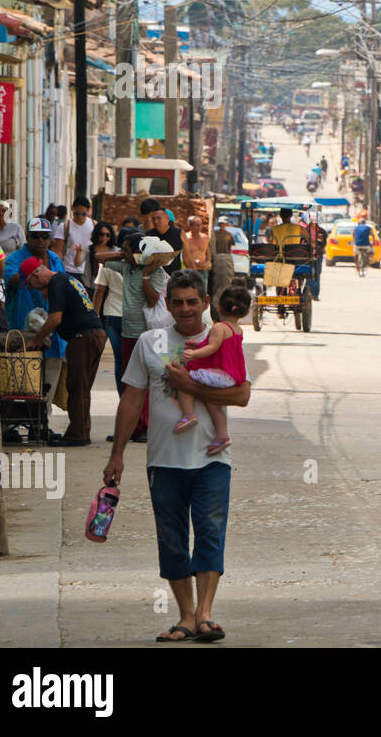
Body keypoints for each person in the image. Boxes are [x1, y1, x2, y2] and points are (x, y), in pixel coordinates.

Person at [103, 270, 249, 644]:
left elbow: (241, 395)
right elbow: (132, 399)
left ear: (205, 304)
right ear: (167, 304)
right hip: (163, 460)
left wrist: (191, 385)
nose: (185, 309)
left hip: (213, 458)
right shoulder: (150, 343)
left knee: (210, 533)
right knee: (171, 539)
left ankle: (205, 614)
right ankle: (185, 616)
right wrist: (117, 453)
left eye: (192, 302)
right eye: (178, 302)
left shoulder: (223, 337)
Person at [24, 259, 106, 447]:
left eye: (30, 284)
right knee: (80, 387)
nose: (33, 288)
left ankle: (78, 435)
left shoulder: (56, 283)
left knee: (77, 387)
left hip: (83, 338)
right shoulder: (65, 279)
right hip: (93, 335)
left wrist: (36, 340)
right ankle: (79, 431)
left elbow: (55, 318)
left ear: (37, 275)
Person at [103, 233, 170, 443]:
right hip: (127, 332)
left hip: (146, 334)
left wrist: (146, 274)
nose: (123, 253)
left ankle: (145, 426)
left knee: (148, 381)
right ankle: (130, 425)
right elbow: (98, 257)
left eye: (126, 248)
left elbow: (152, 301)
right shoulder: (126, 266)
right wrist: (124, 254)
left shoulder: (157, 273)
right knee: (129, 381)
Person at [175, 286, 250, 457]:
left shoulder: (219, 328)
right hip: (231, 377)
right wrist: (198, 345)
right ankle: (222, 435)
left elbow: (212, 347)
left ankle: (189, 414)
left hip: (219, 374)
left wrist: (194, 353)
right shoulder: (237, 329)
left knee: (184, 379)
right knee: (214, 404)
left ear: (218, 307)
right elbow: (221, 348)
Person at [5, 218, 67, 367]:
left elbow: (63, 285)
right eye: (35, 236)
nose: (40, 240)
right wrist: (29, 272)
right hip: (25, 327)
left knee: (51, 380)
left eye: (44, 236)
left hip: (53, 329)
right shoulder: (15, 258)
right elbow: (10, 279)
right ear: (28, 236)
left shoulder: (54, 259)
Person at [92, 224, 126, 395]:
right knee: (131, 359)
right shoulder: (144, 263)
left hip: (111, 313)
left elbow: (99, 291)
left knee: (119, 360)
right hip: (132, 317)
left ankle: (123, 396)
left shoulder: (107, 263)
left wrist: (94, 317)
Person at [59, 196, 96, 286]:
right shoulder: (64, 226)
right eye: (77, 213)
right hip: (67, 269)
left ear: (88, 211)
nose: (80, 217)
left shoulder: (94, 226)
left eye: (83, 214)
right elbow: (58, 250)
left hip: (88, 271)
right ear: (72, 209)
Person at [140, 199, 184, 274]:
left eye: (158, 218)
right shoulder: (142, 234)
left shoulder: (178, 234)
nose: (155, 221)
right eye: (152, 218)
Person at [182, 216, 212, 291]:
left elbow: (208, 253)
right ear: (190, 226)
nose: (199, 227)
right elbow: (182, 255)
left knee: (202, 293)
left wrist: (207, 262)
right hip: (189, 271)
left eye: (201, 225)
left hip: (202, 271)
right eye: (197, 225)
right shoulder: (185, 238)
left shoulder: (205, 238)